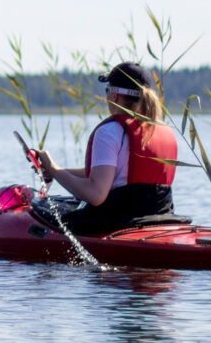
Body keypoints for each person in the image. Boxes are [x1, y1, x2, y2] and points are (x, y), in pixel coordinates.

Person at [32, 62, 182, 235]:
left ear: (115, 96)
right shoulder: (163, 130)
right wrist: (58, 171)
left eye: (107, 91)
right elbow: (113, 174)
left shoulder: (110, 131)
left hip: (117, 222)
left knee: (38, 210)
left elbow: (96, 195)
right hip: (159, 218)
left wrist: (54, 169)